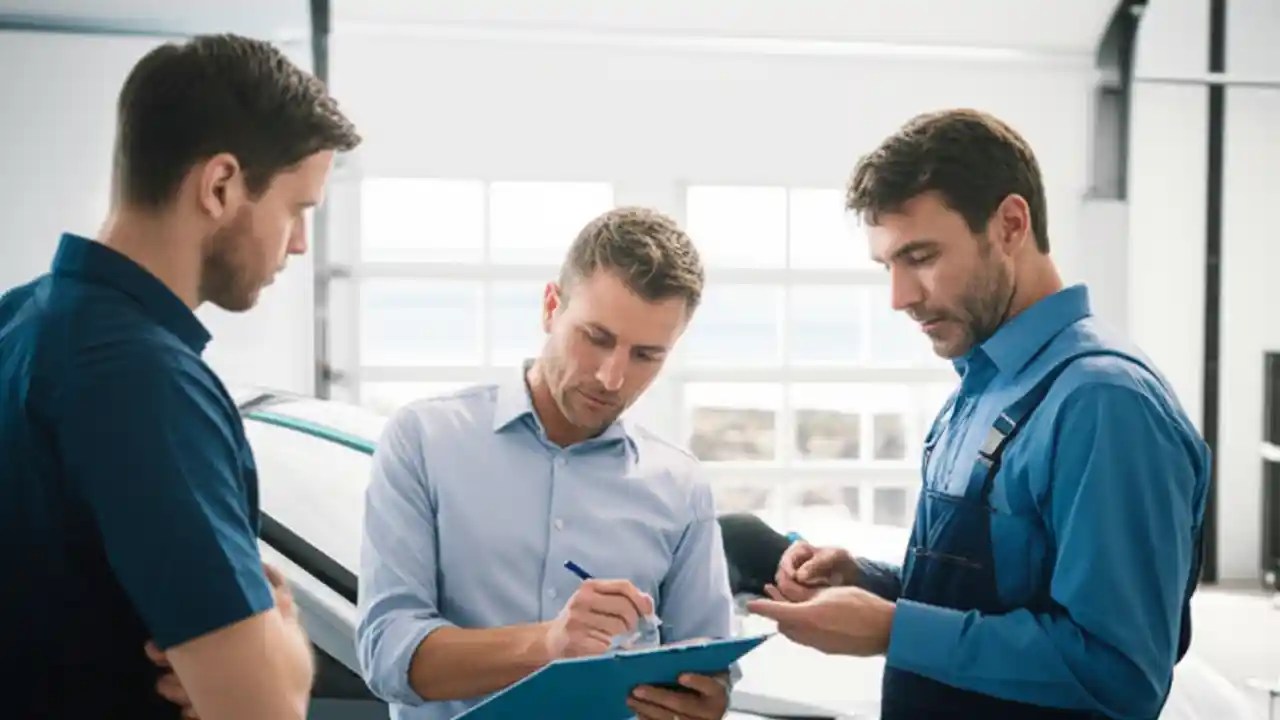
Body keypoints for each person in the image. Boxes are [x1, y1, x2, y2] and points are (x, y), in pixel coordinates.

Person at [747, 108, 1209, 719]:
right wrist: (867, 581)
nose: (900, 298)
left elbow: (1120, 672)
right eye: (888, 266)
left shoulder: (1104, 403)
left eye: (920, 256)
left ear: (1011, 225)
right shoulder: (981, 384)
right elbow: (998, 597)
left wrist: (892, 629)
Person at [0, 34, 361, 720]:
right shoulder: (148, 384)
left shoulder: (20, 320)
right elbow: (266, 709)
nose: (298, 244)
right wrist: (283, 638)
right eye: (297, 210)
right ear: (220, 185)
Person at [357, 206, 736, 720]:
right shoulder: (424, 439)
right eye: (596, 338)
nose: (611, 377)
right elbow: (386, 654)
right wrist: (549, 645)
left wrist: (708, 698)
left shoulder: (681, 485)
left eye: (646, 355)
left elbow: (706, 663)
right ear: (551, 307)